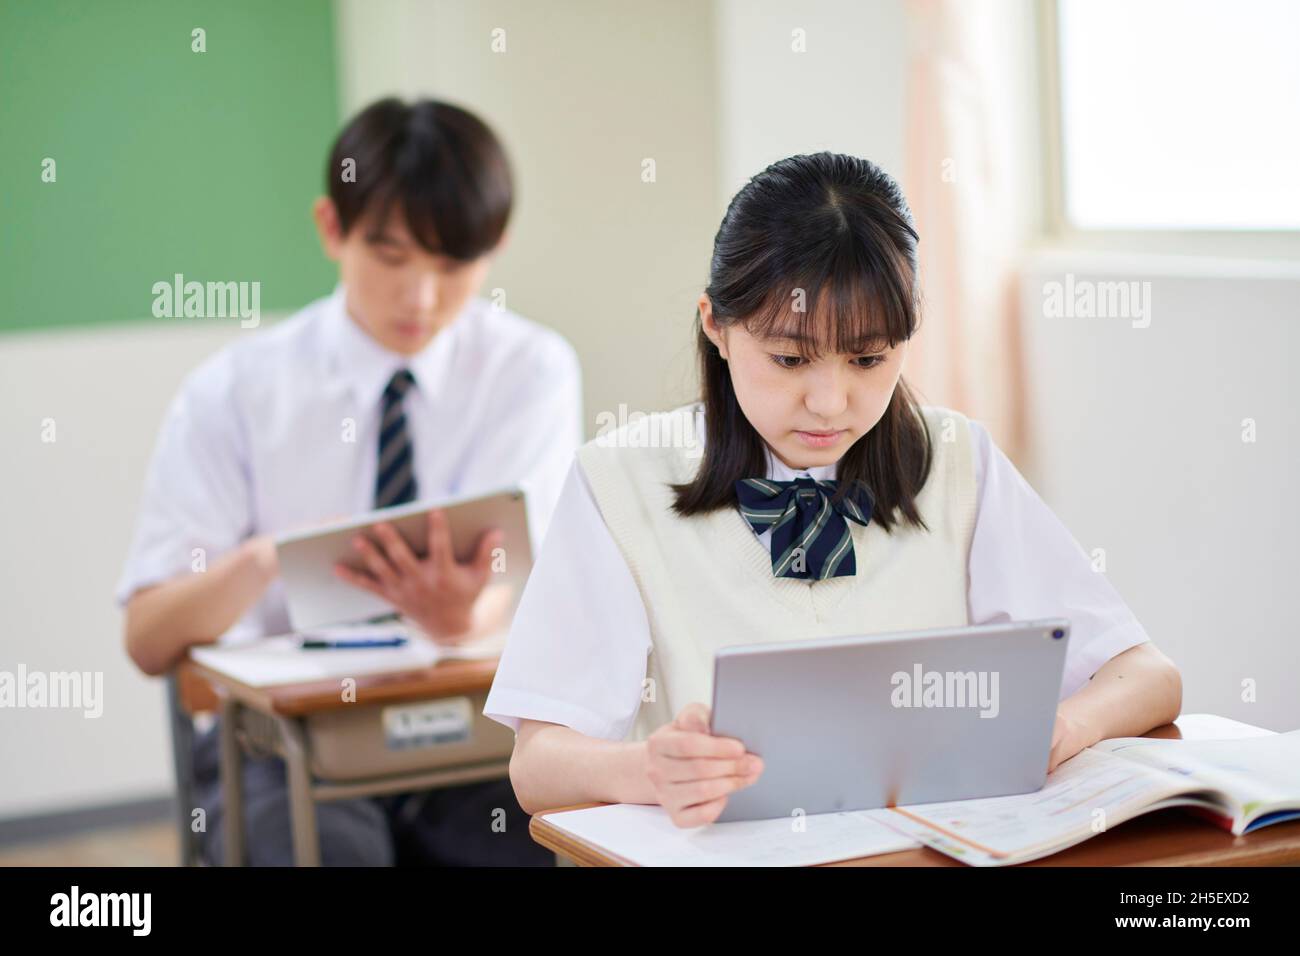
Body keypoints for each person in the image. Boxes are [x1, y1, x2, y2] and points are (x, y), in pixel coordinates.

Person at [485, 151, 1181, 828]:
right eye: (790, 358)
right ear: (716, 327)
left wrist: (1057, 730)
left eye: (869, 359)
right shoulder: (618, 479)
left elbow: (1148, 676)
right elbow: (537, 763)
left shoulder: (958, 461)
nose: (830, 402)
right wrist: (649, 770)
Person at [118, 97, 581, 864]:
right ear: (332, 228)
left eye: (453, 265)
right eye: (392, 257)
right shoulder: (234, 392)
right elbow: (146, 639)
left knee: (532, 839)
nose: (421, 299)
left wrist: (466, 612)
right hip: (281, 743)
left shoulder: (530, 370)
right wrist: (269, 562)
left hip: (469, 728)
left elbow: (521, 574)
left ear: (494, 247)